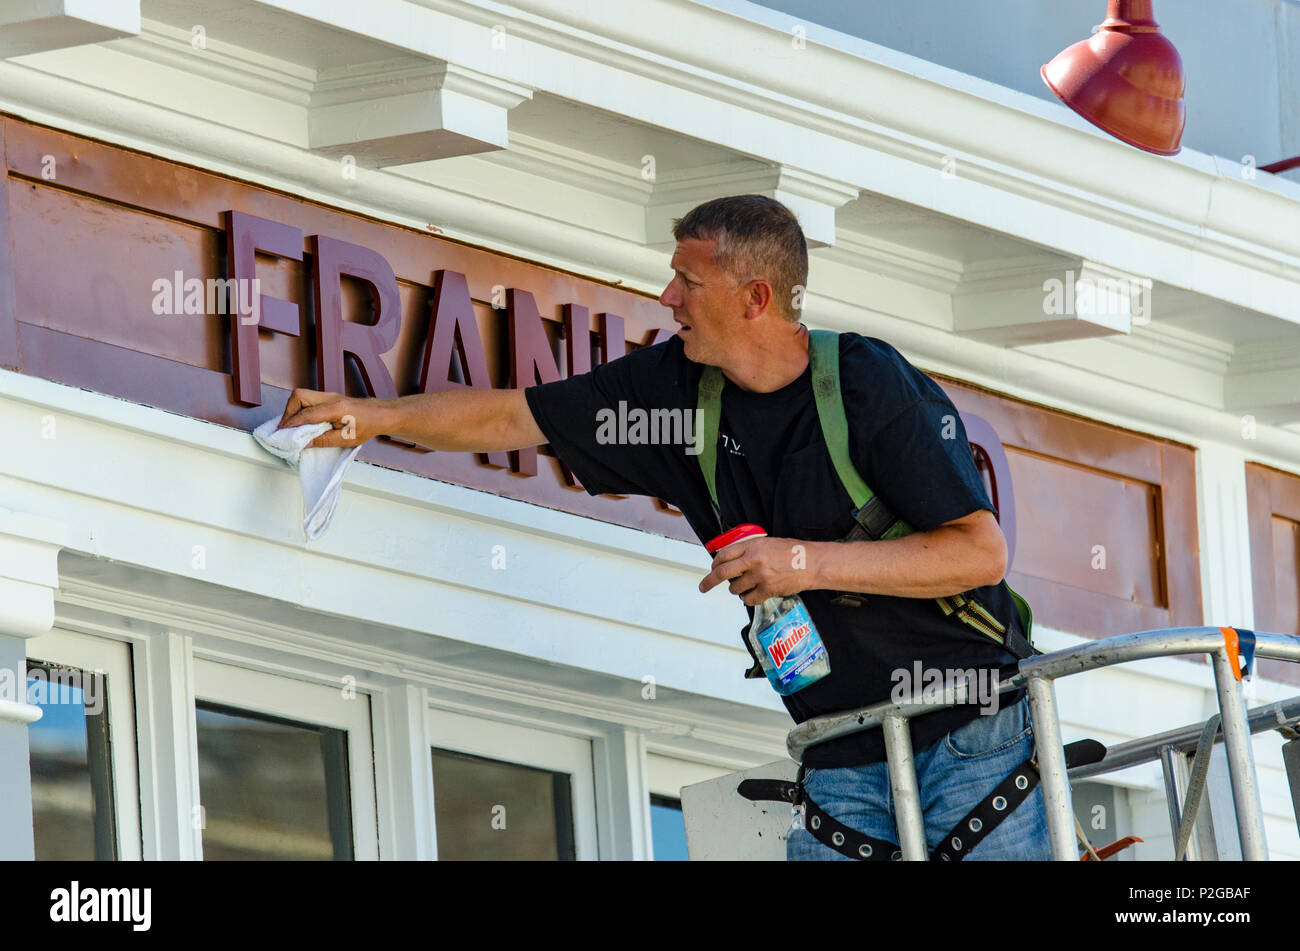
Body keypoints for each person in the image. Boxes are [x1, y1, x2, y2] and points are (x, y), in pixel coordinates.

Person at [277, 194, 1051, 861]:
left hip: (969, 733)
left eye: (688, 280)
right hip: (841, 750)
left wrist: (803, 563)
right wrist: (371, 417)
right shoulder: (674, 391)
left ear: (755, 297)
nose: (667, 296)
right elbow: (516, 414)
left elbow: (978, 552)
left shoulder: (867, 384)